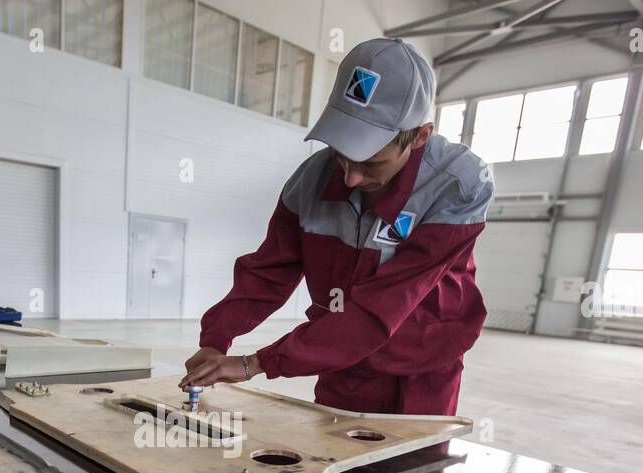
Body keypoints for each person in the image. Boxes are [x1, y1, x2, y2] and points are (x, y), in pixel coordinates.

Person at [179, 37, 493, 416]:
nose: (350, 179)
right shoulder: (310, 180)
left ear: (420, 136)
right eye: (343, 156)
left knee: (412, 456)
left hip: (421, 370)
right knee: (332, 451)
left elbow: (379, 308)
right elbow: (268, 272)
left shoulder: (458, 185)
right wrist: (216, 338)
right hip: (340, 362)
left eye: (371, 163)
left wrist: (256, 363)